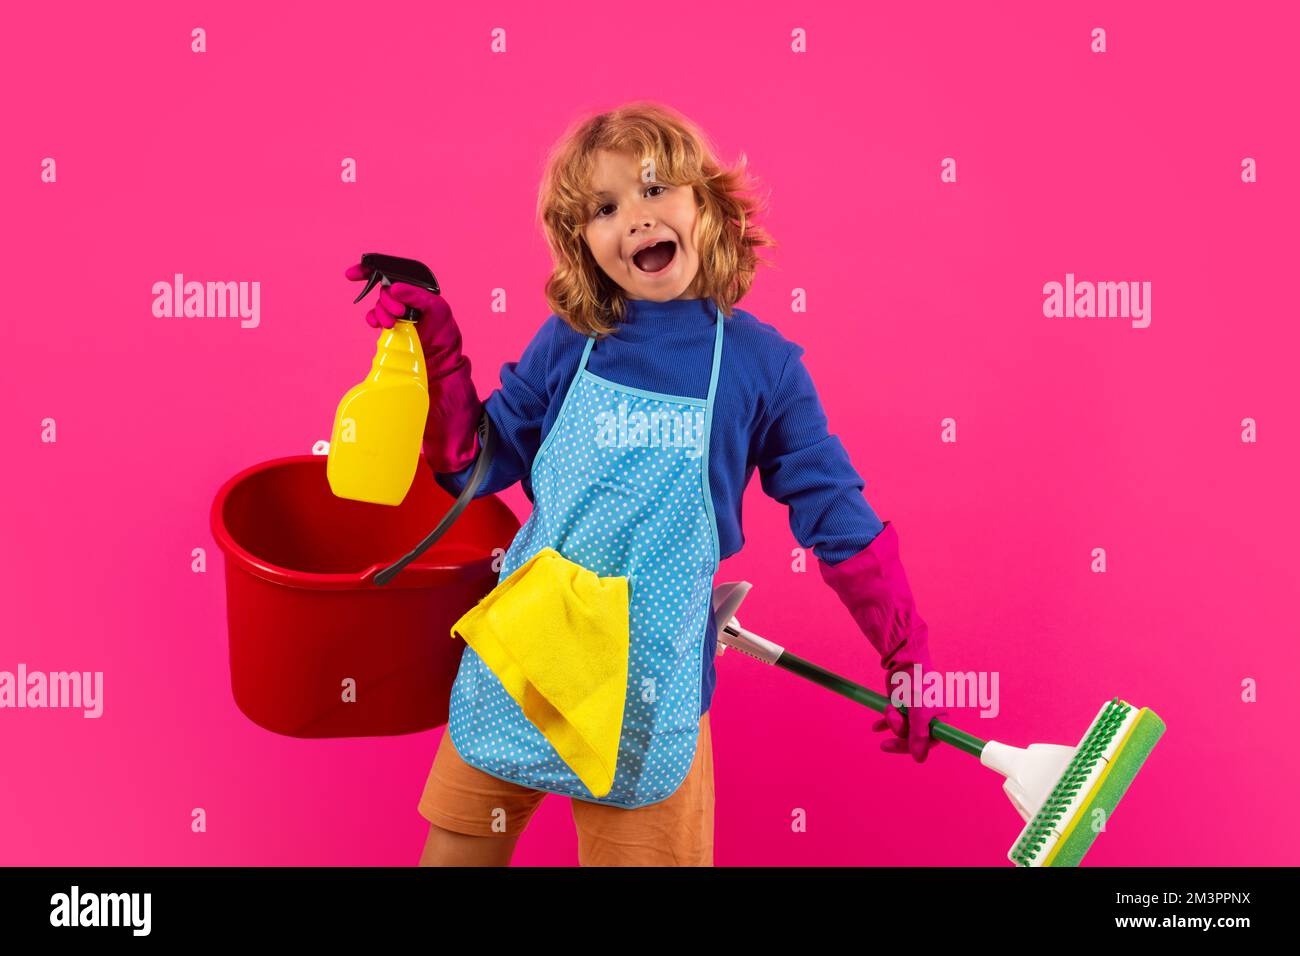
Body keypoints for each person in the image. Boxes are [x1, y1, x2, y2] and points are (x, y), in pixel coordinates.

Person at [347, 102, 946, 867]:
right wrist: (439, 347)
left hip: (651, 689)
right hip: (525, 662)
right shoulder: (573, 341)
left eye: (656, 189)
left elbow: (838, 516)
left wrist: (907, 655)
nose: (635, 217)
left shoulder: (763, 367)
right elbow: (475, 466)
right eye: (604, 208)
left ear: (710, 206)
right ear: (585, 245)